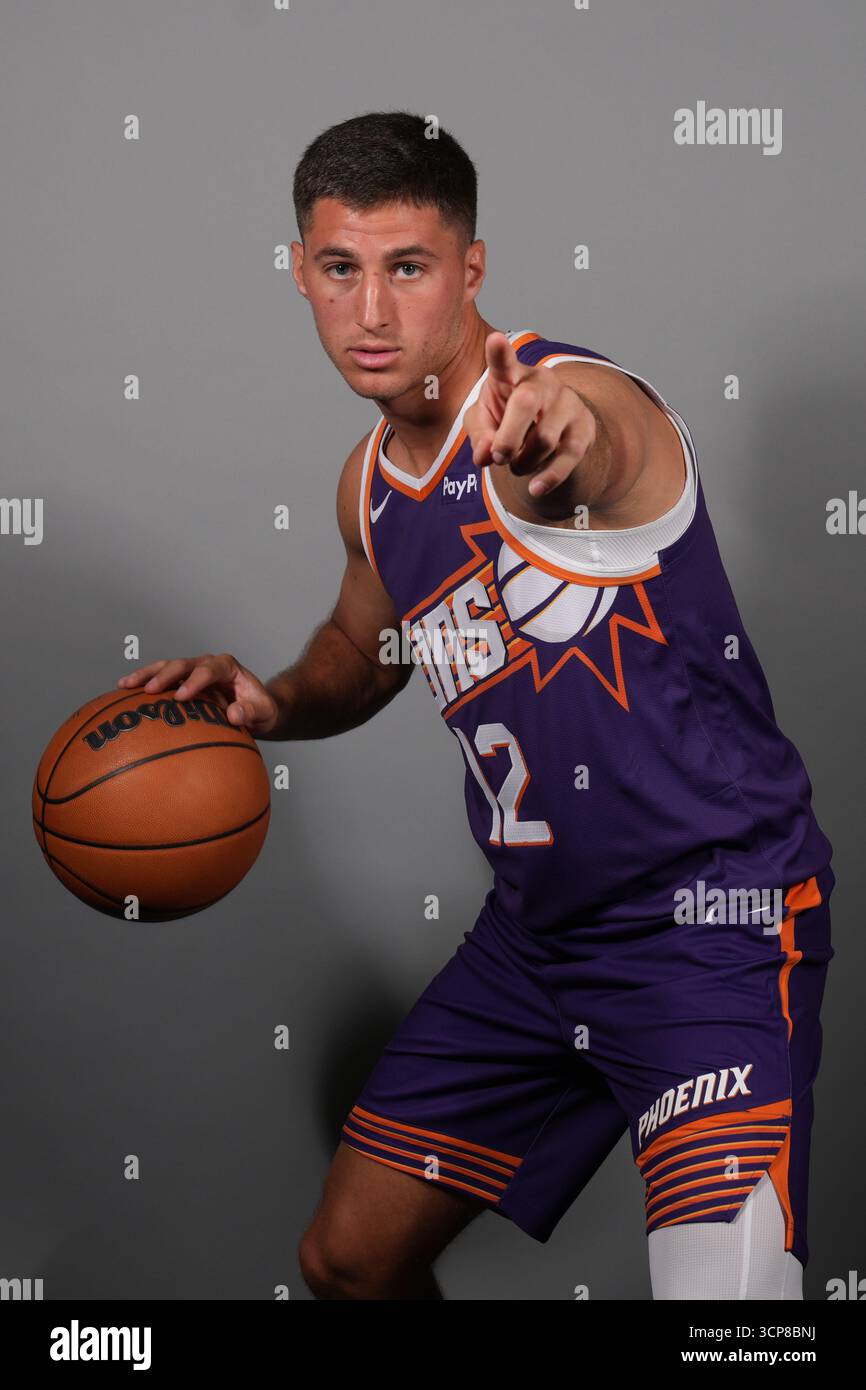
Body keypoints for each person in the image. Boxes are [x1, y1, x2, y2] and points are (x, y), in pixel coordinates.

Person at [117, 111, 834, 1300]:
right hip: (534, 942)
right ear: (300, 269)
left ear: (471, 268)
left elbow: (596, 444)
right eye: (340, 270)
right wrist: (269, 701)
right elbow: (366, 644)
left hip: (708, 925)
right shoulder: (367, 487)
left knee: (731, 1328)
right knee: (347, 1261)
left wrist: (561, 445)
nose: (373, 312)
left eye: (409, 268)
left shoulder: (561, 399)